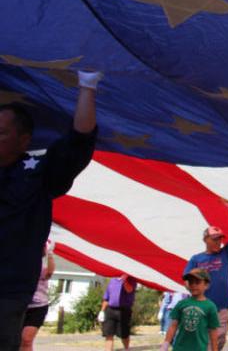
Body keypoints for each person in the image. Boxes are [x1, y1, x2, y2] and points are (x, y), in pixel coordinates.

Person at [0, 70, 99, 349]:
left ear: (24, 140)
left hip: (7, 292)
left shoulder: (35, 175)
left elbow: (80, 139)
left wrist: (87, 86)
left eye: (1, 132)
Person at [183, 199, 228, 351]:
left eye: (220, 239)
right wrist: (194, 277)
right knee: (203, 343)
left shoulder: (226, 254)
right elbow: (186, 281)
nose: (218, 242)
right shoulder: (196, 259)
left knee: (217, 340)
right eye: (215, 239)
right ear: (206, 240)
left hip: (221, 308)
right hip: (201, 307)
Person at [161, 268, 220, 351]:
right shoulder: (181, 303)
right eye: (191, 282)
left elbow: (213, 331)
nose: (193, 285)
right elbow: (173, 326)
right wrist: (165, 345)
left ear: (206, 285)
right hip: (179, 348)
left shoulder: (210, 306)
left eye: (197, 282)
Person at [20, 241, 55, 351]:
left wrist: (50, 254)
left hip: (38, 307)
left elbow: (49, 273)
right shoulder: (21, 264)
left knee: (26, 339)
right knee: (14, 340)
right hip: (20, 305)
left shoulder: (42, 267)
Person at [99, 275, 138, 351]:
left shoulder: (132, 280)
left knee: (124, 334)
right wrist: (102, 311)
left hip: (124, 311)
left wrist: (124, 280)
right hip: (110, 310)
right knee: (108, 334)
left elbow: (129, 290)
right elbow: (106, 298)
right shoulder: (113, 280)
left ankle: (127, 349)